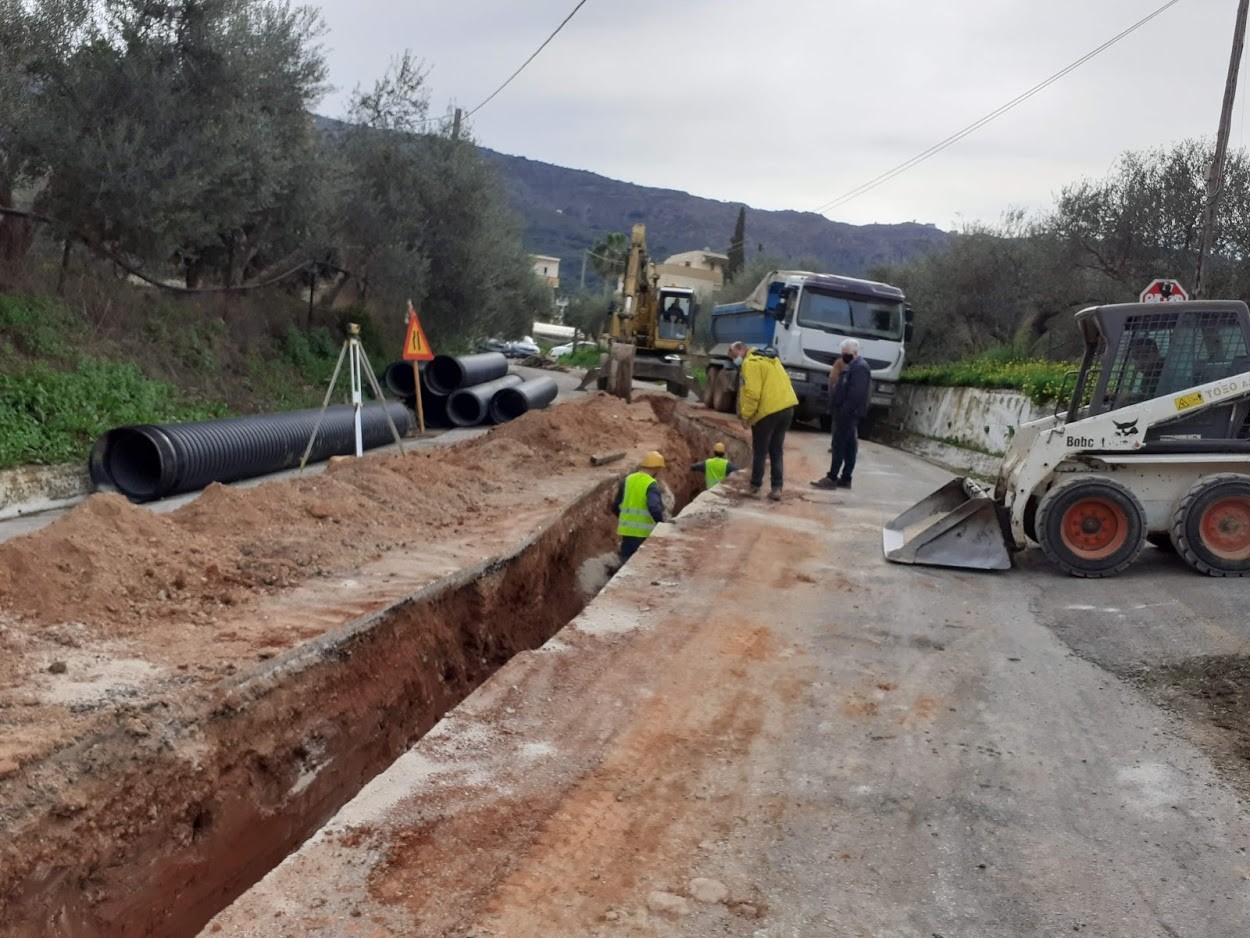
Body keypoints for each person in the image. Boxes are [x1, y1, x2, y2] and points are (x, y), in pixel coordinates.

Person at [728, 341, 798, 501]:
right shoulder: (772, 359)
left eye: (733, 355)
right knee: (776, 450)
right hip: (787, 408)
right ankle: (777, 488)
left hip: (768, 412)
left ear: (741, 350)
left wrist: (746, 416)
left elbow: (752, 394)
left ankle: (755, 488)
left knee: (760, 450)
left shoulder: (751, 363)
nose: (734, 360)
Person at [811, 338, 871, 490]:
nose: (843, 356)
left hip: (848, 414)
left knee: (839, 445)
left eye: (846, 353)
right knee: (850, 446)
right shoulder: (853, 366)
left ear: (855, 352)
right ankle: (845, 478)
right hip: (846, 412)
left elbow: (856, 393)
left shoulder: (860, 368)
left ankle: (832, 477)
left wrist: (844, 410)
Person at [613, 450, 666, 561]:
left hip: (627, 531)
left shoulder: (627, 480)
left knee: (625, 560)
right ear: (656, 468)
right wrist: (660, 523)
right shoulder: (651, 484)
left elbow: (615, 505)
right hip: (643, 533)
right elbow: (654, 507)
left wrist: (626, 519)